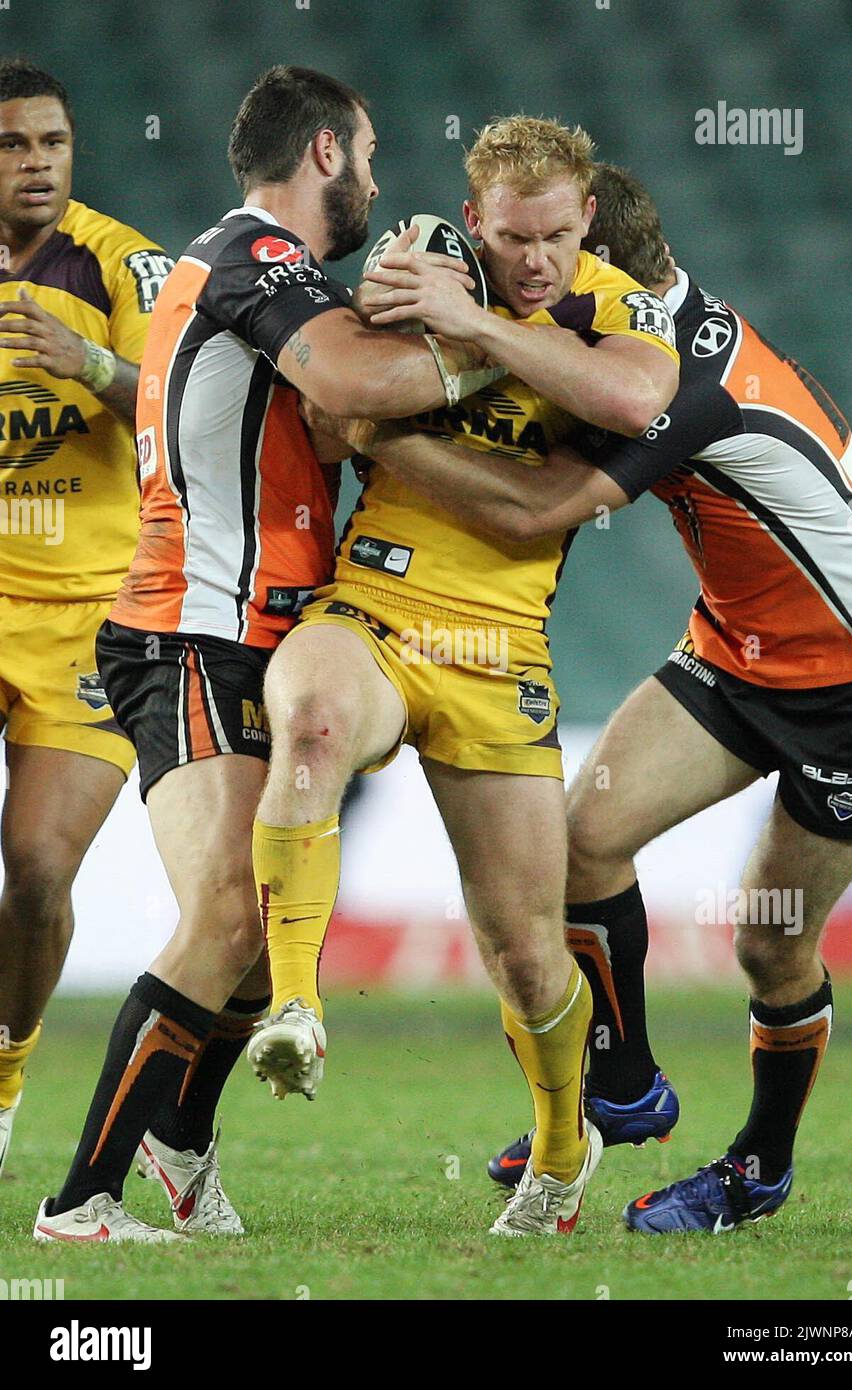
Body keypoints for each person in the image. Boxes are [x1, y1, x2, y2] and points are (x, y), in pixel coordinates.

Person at [349, 161, 852, 1233]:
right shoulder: (653, 331)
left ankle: (758, 1168)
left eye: (562, 268)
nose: (542, 286)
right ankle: (625, 1086)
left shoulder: (676, 384)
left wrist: (390, 437)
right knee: (581, 840)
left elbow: (535, 510)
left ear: (607, 267)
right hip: (735, 654)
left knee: (766, 941)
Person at [33, 65, 501, 1245]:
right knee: (230, 920)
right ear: (327, 154)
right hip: (190, 625)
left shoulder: (270, 282)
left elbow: (341, 411)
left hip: (256, 633)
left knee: (254, 938)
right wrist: (491, 347)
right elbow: (350, 385)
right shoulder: (251, 256)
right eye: (372, 154)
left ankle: (179, 1145)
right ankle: (80, 1202)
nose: (378, 180)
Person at [248, 116, 678, 1237]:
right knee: (310, 720)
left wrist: (467, 329)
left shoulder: (621, 310)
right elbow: (331, 415)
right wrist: (428, 313)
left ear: (585, 217)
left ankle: (557, 1145)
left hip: (500, 651)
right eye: (508, 237)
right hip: (374, 603)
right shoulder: (422, 271)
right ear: (475, 217)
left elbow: (627, 403)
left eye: (551, 235)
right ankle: (295, 998)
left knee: (526, 954)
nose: (531, 259)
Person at [0, 59, 173, 1178]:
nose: (38, 163)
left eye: (53, 143)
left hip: (85, 614)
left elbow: (175, 401)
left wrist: (94, 362)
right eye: (15, 145)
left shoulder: (120, 261)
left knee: (35, 869)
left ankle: (6, 1070)